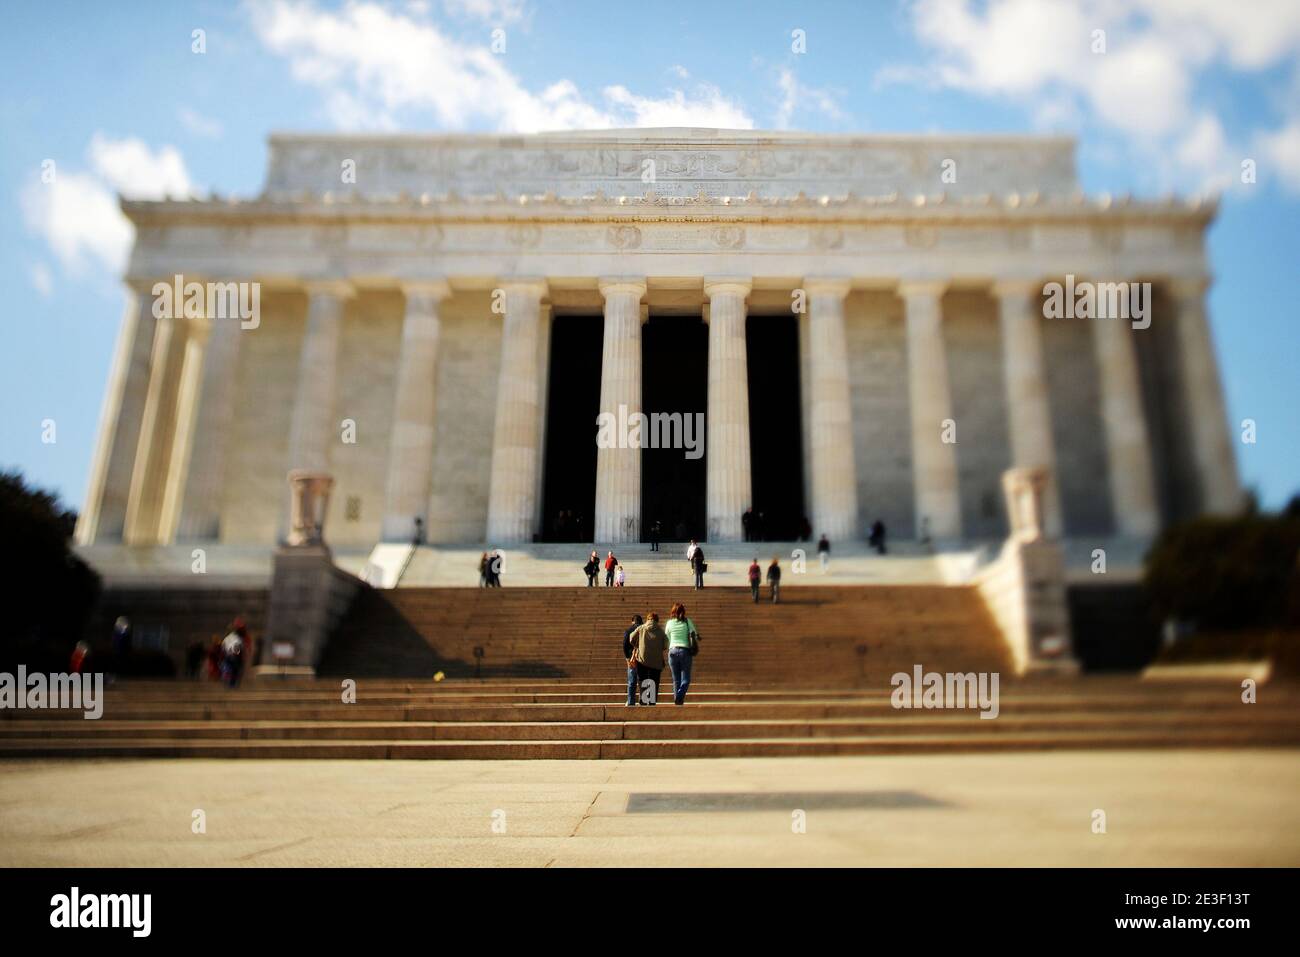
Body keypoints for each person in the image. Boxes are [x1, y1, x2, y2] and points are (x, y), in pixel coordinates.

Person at [664, 602, 699, 705]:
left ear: (673, 612)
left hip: (672, 651)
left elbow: (667, 637)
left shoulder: (669, 623)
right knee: (686, 679)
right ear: (683, 611)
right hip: (685, 651)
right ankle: (679, 696)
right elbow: (694, 635)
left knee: (676, 680)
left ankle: (678, 701)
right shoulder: (687, 622)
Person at [631, 612, 668, 705]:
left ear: (647, 619)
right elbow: (665, 645)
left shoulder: (641, 628)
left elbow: (631, 638)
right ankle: (652, 701)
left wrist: (638, 645)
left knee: (642, 678)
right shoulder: (661, 631)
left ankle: (643, 700)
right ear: (657, 620)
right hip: (656, 660)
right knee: (654, 680)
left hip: (642, 659)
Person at [622, 614, 644, 706]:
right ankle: (643, 701)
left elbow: (624, 645)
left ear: (632, 621)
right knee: (642, 680)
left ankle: (631, 701)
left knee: (632, 680)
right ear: (641, 622)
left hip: (632, 658)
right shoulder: (644, 629)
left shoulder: (628, 630)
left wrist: (627, 657)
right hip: (643, 658)